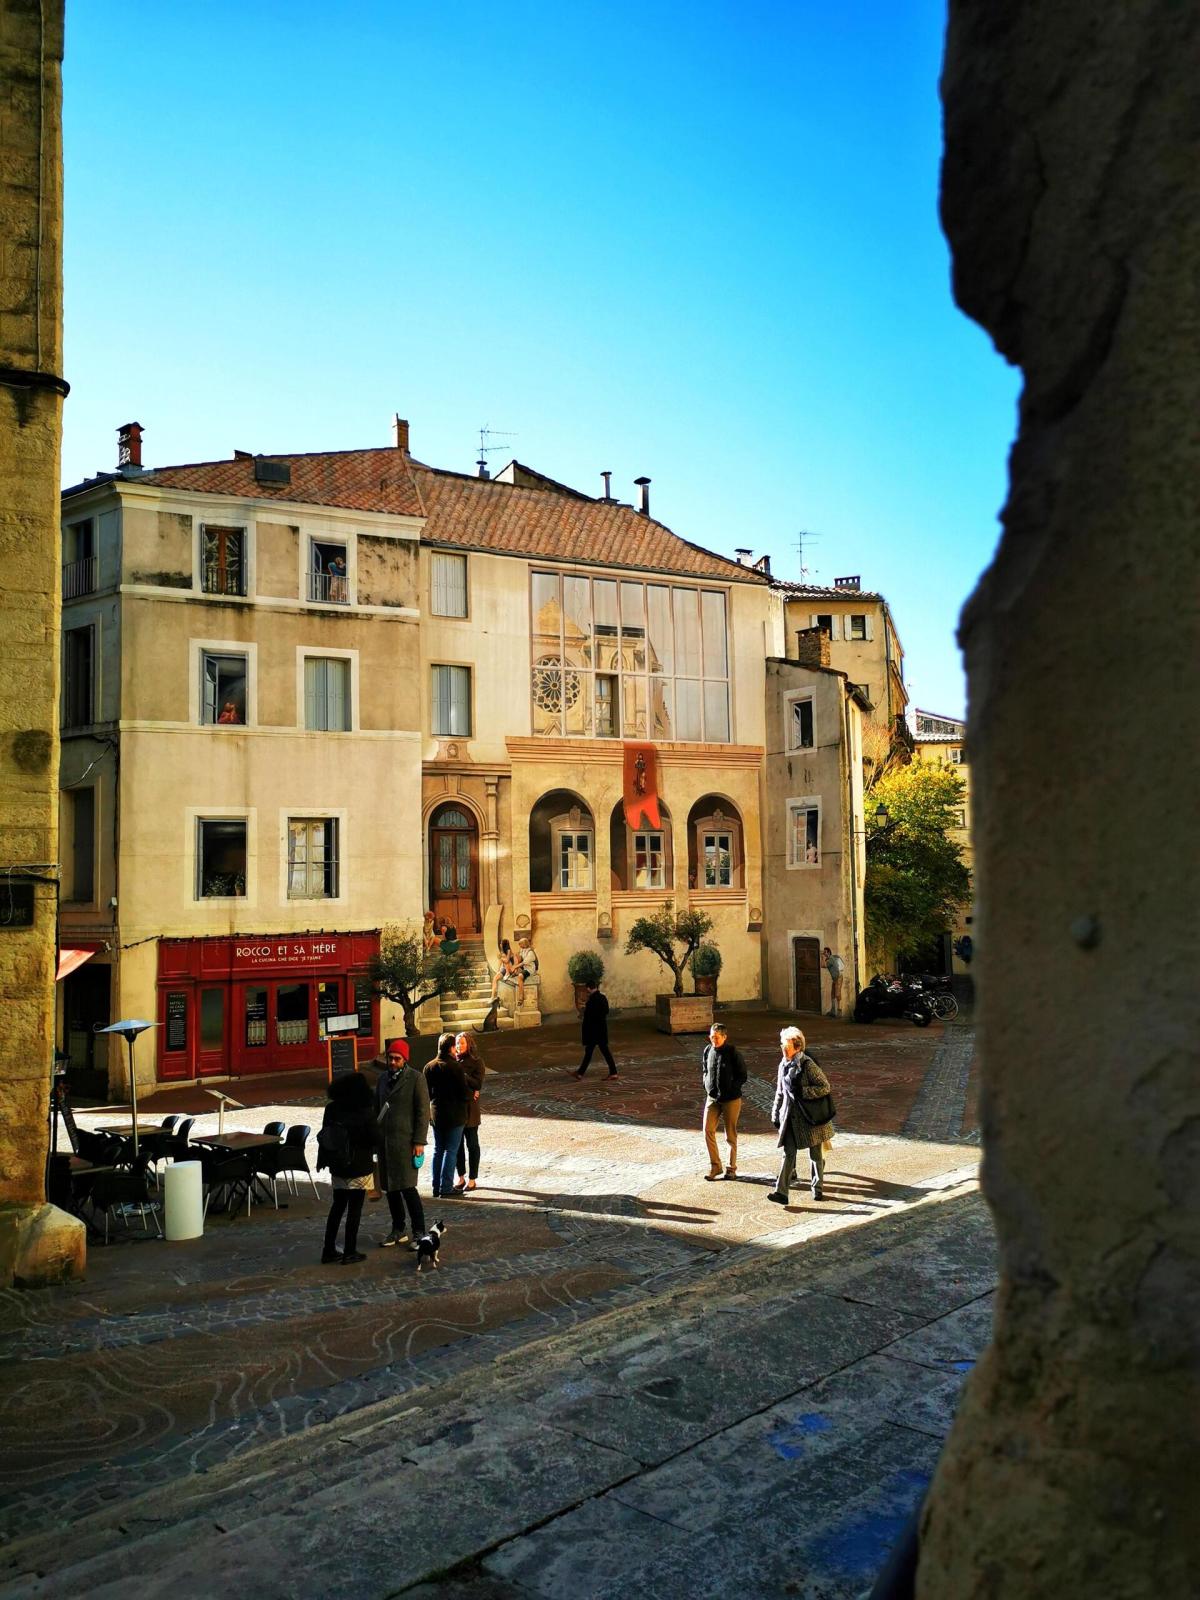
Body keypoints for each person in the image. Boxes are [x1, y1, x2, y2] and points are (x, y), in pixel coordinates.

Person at [768, 1025, 835, 1206]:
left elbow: (825, 1087)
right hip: (791, 1118)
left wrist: (803, 1092)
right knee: (788, 1153)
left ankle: (817, 1189)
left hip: (810, 1117)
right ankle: (781, 1193)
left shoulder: (807, 1065)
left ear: (797, 1047)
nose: (783, 1048)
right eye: (782, 1044)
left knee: (815, 1155)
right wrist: (775, 1114)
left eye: (786, 1045)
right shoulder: (783, 1065)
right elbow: (780, 1092)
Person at [375, 1037, 429, 1248]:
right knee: (391, 1188)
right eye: (390, 1058)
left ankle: (419, 1231)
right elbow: (376, 1108)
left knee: (408, 1188)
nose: (393, 1062)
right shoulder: (382, 1079)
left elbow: (423, 1113)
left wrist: (419, 1141)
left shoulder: (416, 1078)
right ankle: (398, 1229)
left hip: (405, 1142)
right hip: (385, 1143)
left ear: (405, 1059)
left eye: (397, 1058)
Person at [319, 1071, 377, 1264]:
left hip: (338, 1164)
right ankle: (350, 1250)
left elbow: (326, 1134)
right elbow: (375, 1138)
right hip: (359, 1166)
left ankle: (328, 1249)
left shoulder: (332, 1109)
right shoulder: (365, 1110)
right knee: (355, 1209)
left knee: (337, 1206)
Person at [423, 1031, 469, 1198]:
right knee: (451, 1150)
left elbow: (427, 1093)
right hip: (455, 1114)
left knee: (438, 1150)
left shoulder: (429, 1067)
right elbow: (463, 1093)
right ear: (450, 1048)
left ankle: (436, 1186)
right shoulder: (455, 1067)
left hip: (437, 1113)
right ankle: (446, 1186)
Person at [700, 1022, 748, 1180]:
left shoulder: (733, 1052)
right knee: (707, 1130)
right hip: (712, 1098)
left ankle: (731, 1168)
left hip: (731, 1100)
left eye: (717, 1037)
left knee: (730, 1135)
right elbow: (705, 1069)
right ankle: (715, 1166)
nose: (713, 1040)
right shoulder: (708, 1050)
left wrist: (732, 1089)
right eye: (711, 1037)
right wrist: (706, 1083)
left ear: (724, 1037)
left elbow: (742, 1075)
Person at [453, 1031, 486, 1192]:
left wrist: (463, 1075)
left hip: (470, 1110)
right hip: (456, 1108)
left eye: (462, 1043)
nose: (459, 1046)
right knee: (457, 1145)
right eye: (457, 1043)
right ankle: (460, 1177)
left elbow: (477, 1084)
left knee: (472, 1144)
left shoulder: (476, 1062)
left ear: (469, 1045)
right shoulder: (452, 1061)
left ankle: (472, 1178)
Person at [573, 979, 618, 1081]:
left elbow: (588, 1017)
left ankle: (580, 1073)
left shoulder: (592, 1000)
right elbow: (606, 1011)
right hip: (601, 1029)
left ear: (588, 988)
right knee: (602, 1051)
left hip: (593, 1031)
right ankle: (580, 1073)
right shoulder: (602, 997)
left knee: (590, 1052)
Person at [490, 939, 524, 1004]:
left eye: (501, 943)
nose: (500, 945)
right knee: (495, 978)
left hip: (511, 969)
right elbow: (500, 962)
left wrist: (501, 958)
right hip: (505, 969)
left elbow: (507, 960)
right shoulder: (502, 952)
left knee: (504, 958)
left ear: (504, 945)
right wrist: (498, 971)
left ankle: (507, 974)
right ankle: (492, 997)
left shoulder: (509, 951)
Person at [823, 946, 845, 1018]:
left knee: (837, 993)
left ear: (828, 952)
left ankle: (839, 1011)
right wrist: (823, 958)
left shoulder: (831, 959)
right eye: (824, 952)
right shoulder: (829, 959)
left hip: (838, 977)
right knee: (833, 993)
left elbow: (823, 965)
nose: (824, 953)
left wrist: (821, 957)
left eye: (825, 952)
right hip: (835, 978)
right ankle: (833, 1010)